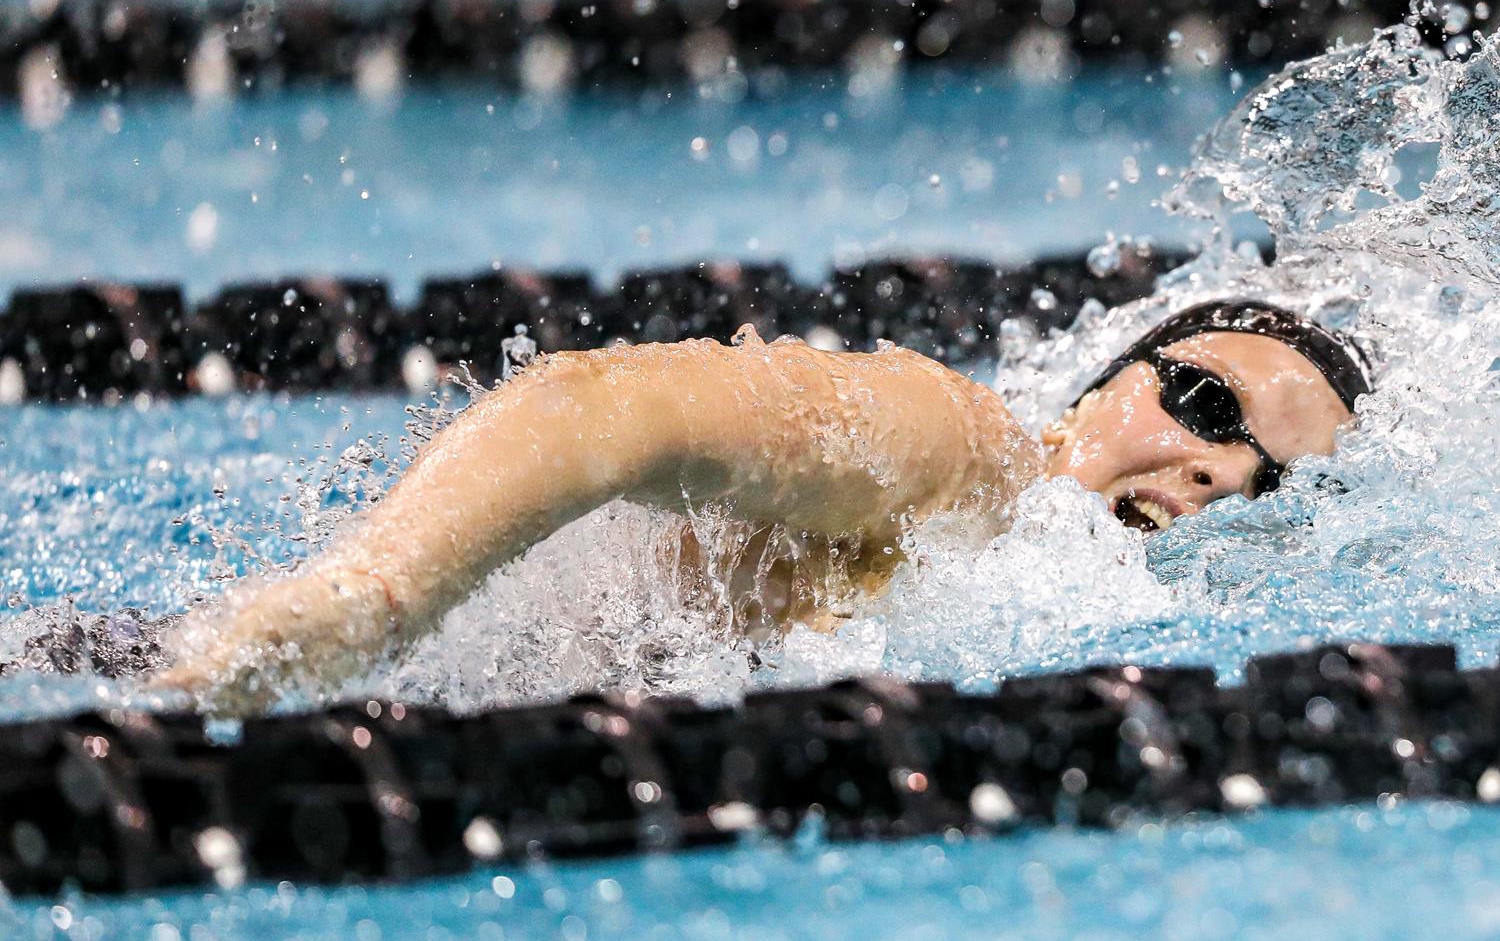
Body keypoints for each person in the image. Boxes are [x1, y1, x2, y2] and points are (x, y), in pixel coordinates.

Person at [156, 299, 1370, 709]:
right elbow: (613, 406)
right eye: (1208, 405)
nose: (1218, 470)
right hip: (292, 670)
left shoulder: (1050, 597)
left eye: (1267, 475)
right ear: (1106, 380)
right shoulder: (969, 452)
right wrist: (372, 596)